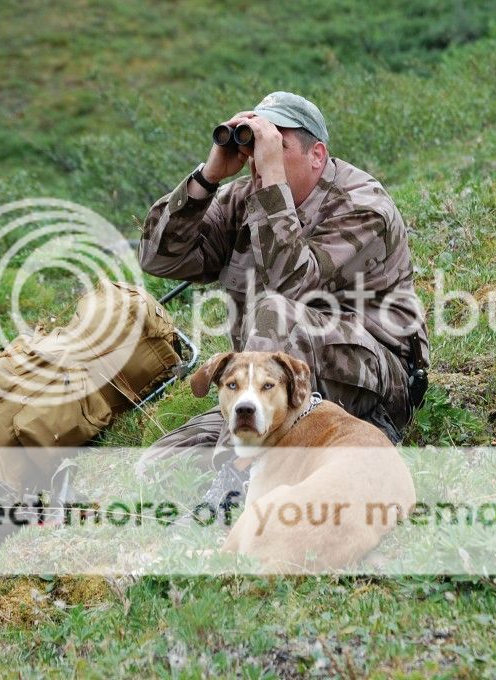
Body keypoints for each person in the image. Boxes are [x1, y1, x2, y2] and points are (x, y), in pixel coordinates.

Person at [135, 91, 429, 505]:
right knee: (160, 466)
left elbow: (292, 286)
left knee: (277, 311)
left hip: (376, 381)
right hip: (280, 386)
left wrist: (272, 184)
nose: (260, 159)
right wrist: (209, 177)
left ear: (316, 154)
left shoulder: (362, 205)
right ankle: (275, 464)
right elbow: (158, 257)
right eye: (256, 145)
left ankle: (236, 485)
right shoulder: (245, 199)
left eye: (276, 145)